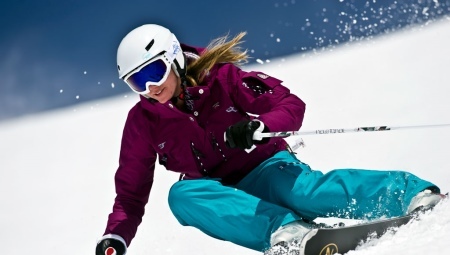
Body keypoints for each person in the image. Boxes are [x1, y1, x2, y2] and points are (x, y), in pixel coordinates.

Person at [95, 24, 445, 255]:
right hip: (222, 194)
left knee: (303, 192)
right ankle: (287, 233)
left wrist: (260, 125)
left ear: (172, 57)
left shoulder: (224, 79)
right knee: (181, 195)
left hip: (267, 166)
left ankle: (411, 194)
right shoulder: (143, 122)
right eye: (136, 82)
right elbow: (130, 191)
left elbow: (288, 104)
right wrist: (117, 236)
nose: (150, 87)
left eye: (153, 72)